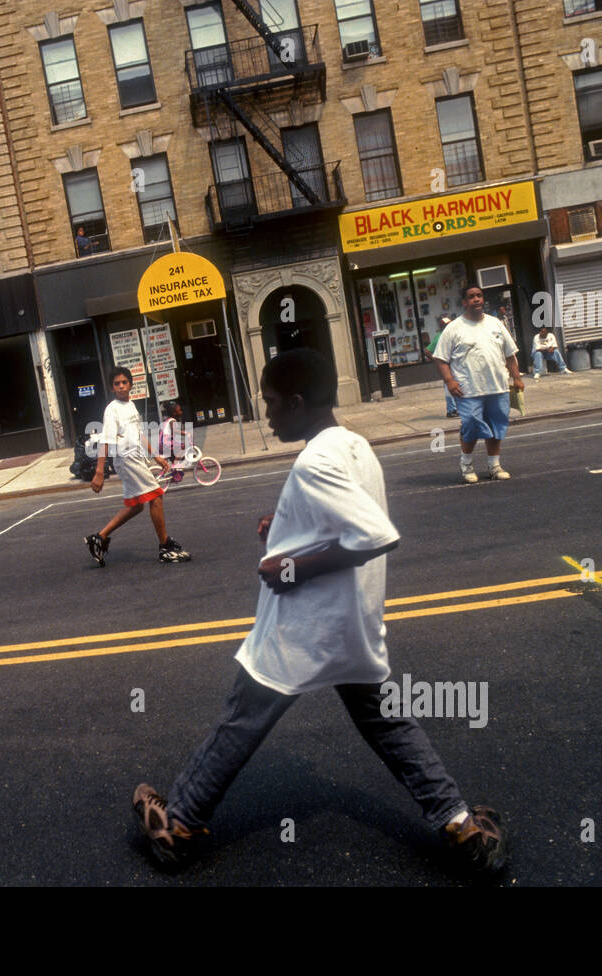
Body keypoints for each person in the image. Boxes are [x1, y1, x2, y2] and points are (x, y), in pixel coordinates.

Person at [131, 349, 509, 878]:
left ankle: (180, 826)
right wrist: (283, 524)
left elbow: (375, 534)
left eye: (270, 403)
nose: (266, 416)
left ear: (298, 401)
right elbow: (342, 515)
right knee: (390, 725)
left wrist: (291, 566)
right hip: (351, 627)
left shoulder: (314, 462)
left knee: (239, 723)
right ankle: (460, 825)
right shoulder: (352, 445)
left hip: (299, 632)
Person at [85, 367, 190, 566]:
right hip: (126, 459)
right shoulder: (112, 409)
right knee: (156, 495)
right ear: (112, 388)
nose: (121, 386)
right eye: (117, 384)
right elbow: (106, 440)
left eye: (125, 382)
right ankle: (165, 547)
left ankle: (99, 537)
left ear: (131, 384)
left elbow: (139, 435)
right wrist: (99, 472)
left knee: (137, 506)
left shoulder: (131, 406)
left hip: (136, 457)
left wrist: (155, 455)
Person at [433, 286, 524, 483]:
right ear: (464, 302)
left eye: (479, 296)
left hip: (497, 387)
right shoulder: (453, 328)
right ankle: (466, 465)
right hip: (468, 390)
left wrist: (516, 377)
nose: (476, 299)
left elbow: (510, 354)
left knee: (496, 427)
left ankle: (494, 466)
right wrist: (449, 381)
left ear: (483, 300)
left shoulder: (496, 324)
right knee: (471, 425)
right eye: (471, 297)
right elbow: (440, 359)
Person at [425, 327, 456, 418]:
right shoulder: (440, 337)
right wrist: (437, 361)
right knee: (448, 387)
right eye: (447, 325)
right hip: (447, 366)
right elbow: (427, 351)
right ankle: (451, 410)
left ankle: (455, 409)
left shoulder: (451, 335)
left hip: (453, 365)